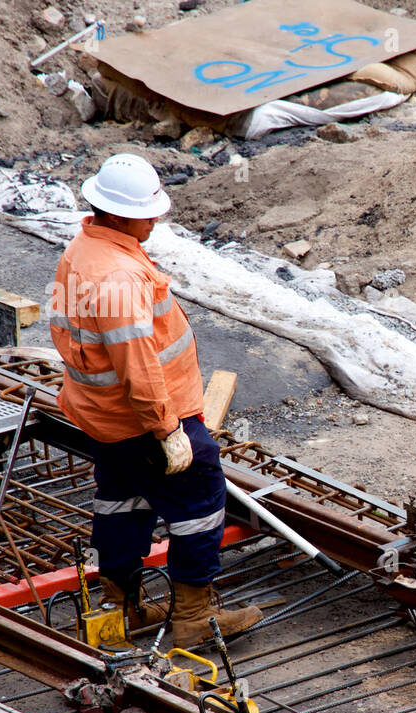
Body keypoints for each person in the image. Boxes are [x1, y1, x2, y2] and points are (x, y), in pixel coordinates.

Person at [49, 153, 261, 647]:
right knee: (201, 502)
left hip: (106, 420)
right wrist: (169, 432)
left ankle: (120, 610)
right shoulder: (119, 279)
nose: (155, 218)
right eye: (148, 212)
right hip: (146, 419)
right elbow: (140, 370)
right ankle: (192, 618)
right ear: (120, 214)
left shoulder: (84, 250)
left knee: (124, 504)